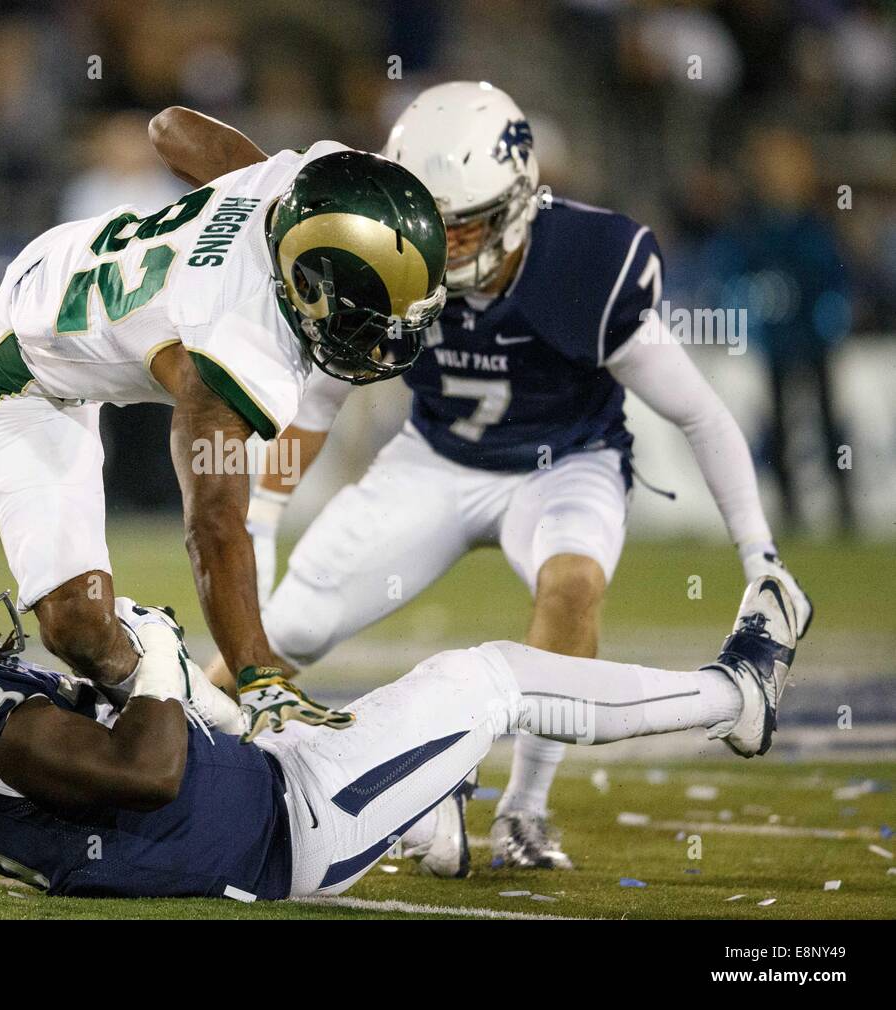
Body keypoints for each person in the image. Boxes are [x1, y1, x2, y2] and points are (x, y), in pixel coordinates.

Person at [167, 83, 814, 872]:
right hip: (433, 460)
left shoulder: (587, 263)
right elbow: (325, 392)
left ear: (516, 202)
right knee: (288, 630)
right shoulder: (391, 240)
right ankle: (176, 753)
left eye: (463, 223)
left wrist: (761, 557)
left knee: (572, 586)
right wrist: (264, 515)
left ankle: (525, 807)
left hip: (567, 462)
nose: (444, 243)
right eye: (431, 220)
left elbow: (702, 415)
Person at [0, 530, 798, 900]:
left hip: (258, 801)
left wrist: (164, 685)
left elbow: (113, 769)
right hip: (286, 827)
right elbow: (145, 770)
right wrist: (149, 666)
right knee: (491, 675)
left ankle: (423, 810)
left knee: (252, 710)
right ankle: (737, 694)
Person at [0, 137, 447, 728]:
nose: (381, 339)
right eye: (368, 318)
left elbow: (170, 127)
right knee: (78, 628)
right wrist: (259, 675)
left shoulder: (288, 188)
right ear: (308, 280)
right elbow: (214, 523)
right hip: (26, 383)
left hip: (65, 254)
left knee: (23, 298)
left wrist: (238, 191)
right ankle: (208, 723)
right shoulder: (230, 348)